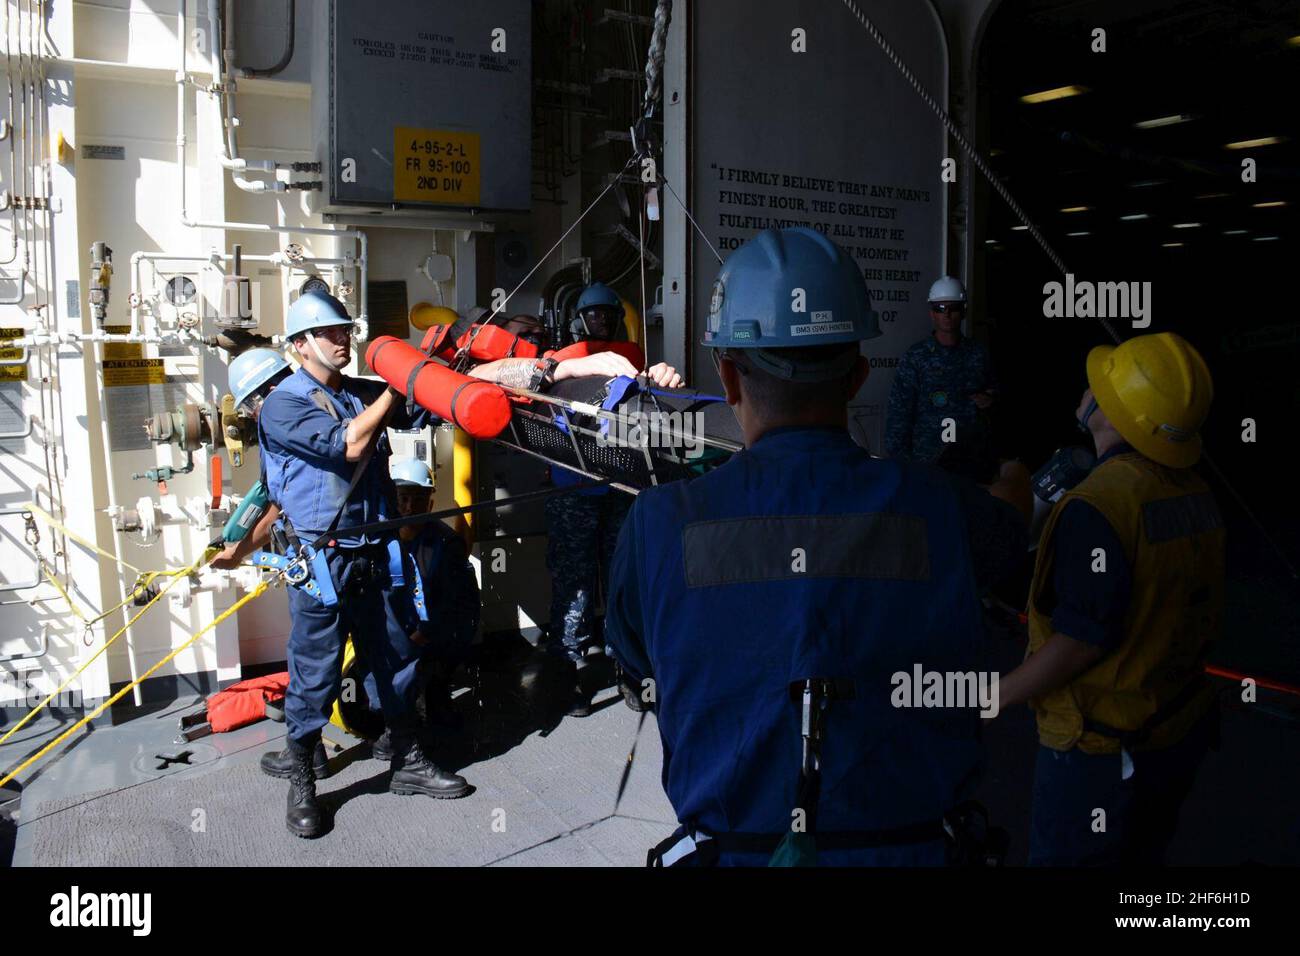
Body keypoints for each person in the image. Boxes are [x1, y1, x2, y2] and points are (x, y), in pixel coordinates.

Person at [605, 227, 1030, 866]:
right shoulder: (943, 507)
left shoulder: (658, 522)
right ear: (858, 375)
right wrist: (1016, 483)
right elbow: (1011, 542)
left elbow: (638, 665)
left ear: (727, 376)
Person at [998, 332, 1223, 866]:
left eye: (1098, 385)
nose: (1086, 390)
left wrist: (994, 697)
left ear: (1112, 411)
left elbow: (1081, 641)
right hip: (1173, 729)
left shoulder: (1099, 505)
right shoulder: (1193, 491)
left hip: (1100, 751)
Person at [256, 290, 471, 838]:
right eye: (330, 332)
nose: (342, 338)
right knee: (317, 671)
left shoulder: (357, 392)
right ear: (301, 345)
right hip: (322, 562)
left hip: (376, 553)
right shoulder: (284, 404)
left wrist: (436, 370)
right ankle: (302, 773)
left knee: (396, 655)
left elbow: (421, 407)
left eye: (345, 329)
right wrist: (395, 391)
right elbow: (348, 445)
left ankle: (405, 757)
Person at [540, 281, 683, 717]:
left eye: (607, 313)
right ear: (578, 320)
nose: (600, 321)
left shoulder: (633, 358)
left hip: (621, 484)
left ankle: (628, 668)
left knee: (623, 580)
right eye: (592, 315)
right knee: (575, 580)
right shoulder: (559, 362)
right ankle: (570, 671)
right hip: (574, 485)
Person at [364, 457, 481, 763]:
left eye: (418, 499)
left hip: (433, 632)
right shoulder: (378, 540)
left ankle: (434, 700)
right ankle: (397, 718)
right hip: (393, 629)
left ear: (429, 504)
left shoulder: (446, 544)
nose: (409, 507)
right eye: (402, 498)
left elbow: (454, 603)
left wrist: (422, 635)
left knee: (429, 658)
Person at [885, 276, 997, 468]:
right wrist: (903, 466)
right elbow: (899, 415)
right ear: (932, 313)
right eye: (940, 309)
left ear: (963, 311)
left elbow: (994, 392)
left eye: (953, 308)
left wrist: (990, 399)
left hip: (973, 461)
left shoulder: (978, 354)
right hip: (929, 462)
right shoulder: (916, 357)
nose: (947, 315)